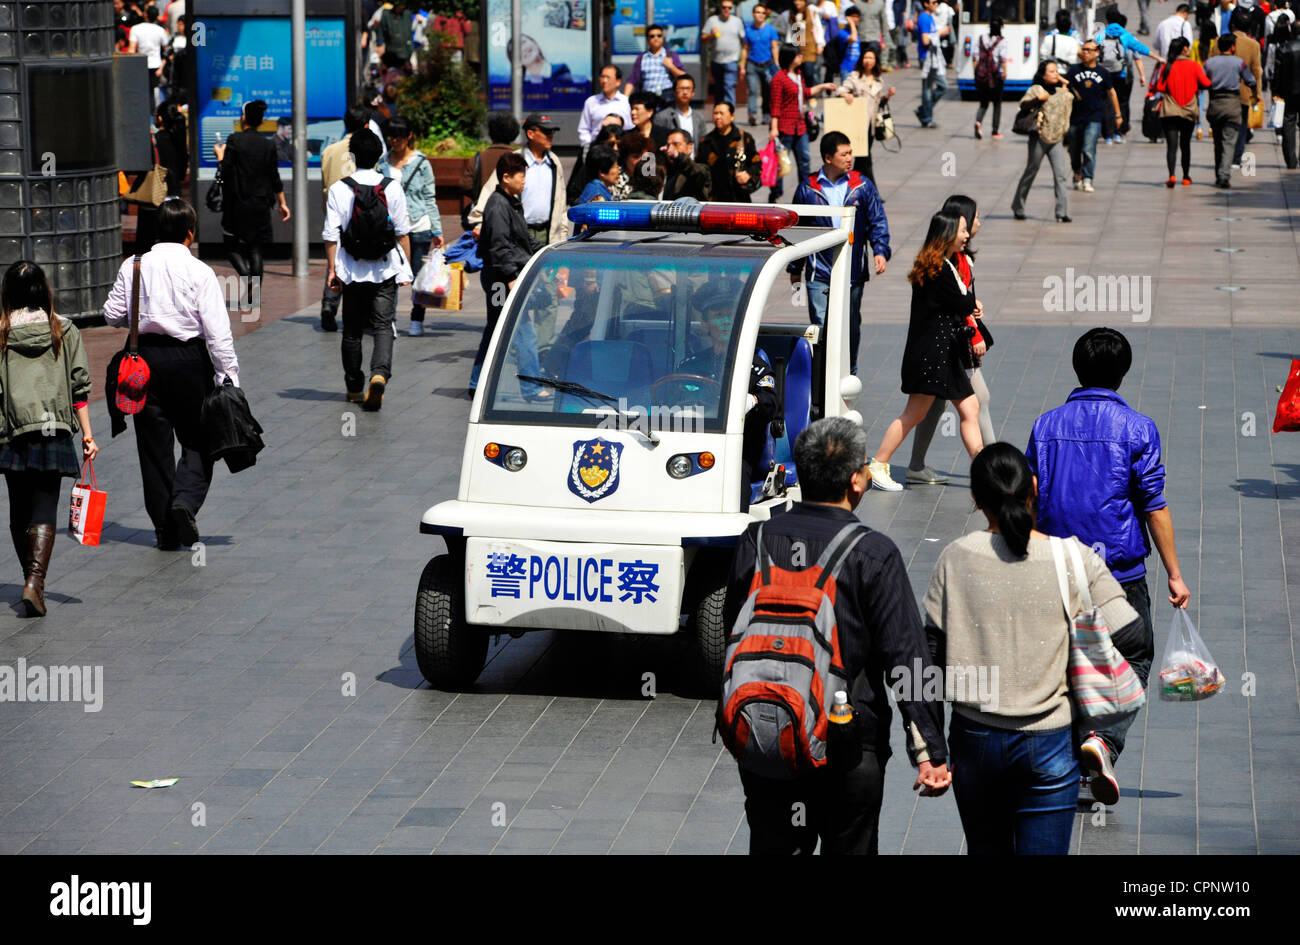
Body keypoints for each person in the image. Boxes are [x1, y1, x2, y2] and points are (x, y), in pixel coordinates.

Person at [725, 416, 951, 854]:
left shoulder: (756, 540)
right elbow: (908, 659)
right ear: (855, 482)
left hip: (769, 734)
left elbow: (733, 631)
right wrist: (929, 751)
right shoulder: (873, 552)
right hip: (848, 743)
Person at [924, 443, 1142, 854]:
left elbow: (930, 655)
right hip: (1050, 740)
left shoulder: (954, 558)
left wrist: (928, 747)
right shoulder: (1073, 558)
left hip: (974, 739)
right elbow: (1132, 635)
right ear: (1035, 488)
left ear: (975, 499)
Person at [1026, 328, 1191, 806]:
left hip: (1054, 569)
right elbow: (1153, 506)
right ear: (1122, 372)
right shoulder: (1137, 428)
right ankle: (1103, 739)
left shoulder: (1045, 425)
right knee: (1134, 653)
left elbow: (1030, 496)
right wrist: (1175, 574)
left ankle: (1065, 756)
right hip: (1116, 575)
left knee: (1062, 665)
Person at [102, 199, 238, 551]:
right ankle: (184, 503)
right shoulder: (200, 272)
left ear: (157, 230)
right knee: (200, 439)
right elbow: (217, 333)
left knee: (153, 448)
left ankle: (164, 529)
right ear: (189, 233)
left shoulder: (133, 266)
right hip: (190, 362)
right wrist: (229, 377)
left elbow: (112, 314)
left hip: (143, 363)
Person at [0, 262, 95, 617]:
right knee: (43, 508)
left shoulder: (2, 333)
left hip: (12, 432)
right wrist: (87, 434)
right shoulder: (64, 330)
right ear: (44, 291)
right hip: (53, 429)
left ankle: (29, 578)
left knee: (17, 509)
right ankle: (35, 582)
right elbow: (79, 386)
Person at [866, 211, 982, 491]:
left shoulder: (938, 264)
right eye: (962, 230)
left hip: (944, 354)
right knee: (914, 413)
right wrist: (971, 299)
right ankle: (878, 464)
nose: (967, 236)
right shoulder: (938, 269)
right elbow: (963, 303)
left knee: (970, 407)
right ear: (947, 234)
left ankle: (983, 473)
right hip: (932, 355)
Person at [323, 128, 412, 411]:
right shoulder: (392, 186)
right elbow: (402, 233)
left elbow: (330, 235)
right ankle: (379, 374)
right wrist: (405, 270)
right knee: (383, 325)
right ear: (378, 156)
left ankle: (353, 387)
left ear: (352, 156)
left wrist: (332, 271)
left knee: (351, 330)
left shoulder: (340, 188)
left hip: (351, 270)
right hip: (384, 268)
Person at [907, 194, 994, 484]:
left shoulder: (960, 257)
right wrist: (976, 334)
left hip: (951, 340)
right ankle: (993, 469)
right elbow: (957, 303)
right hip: (949, 343)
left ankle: (917, 465)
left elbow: (963, 299)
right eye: (973, 219)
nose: (977, 224)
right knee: (976, 400)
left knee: (935, 405)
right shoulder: (947, 261)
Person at [790, 131, 890, 376]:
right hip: (818, 272)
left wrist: (880, 250)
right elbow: (796, 230)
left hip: (852, 273)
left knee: (850, 325)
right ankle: (824, 377)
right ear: (827, 157)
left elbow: (877, 221)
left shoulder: (862, 186)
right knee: (822, 326)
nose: (849, 158)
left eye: (850, 153)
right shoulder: (808, 189)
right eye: (843, 154)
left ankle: (849, 373)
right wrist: (795, 268)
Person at [676, 288, 777, 507]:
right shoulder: (691, 364)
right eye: (717, 316)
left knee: (733, 488)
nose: (725, 321)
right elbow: (671, 396)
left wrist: (752, 400)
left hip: (738, 447)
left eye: (729, 315)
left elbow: (770, 402)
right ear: (704, 325)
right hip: (692, 441)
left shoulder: (755, 366)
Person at [474, 152, 546, 400]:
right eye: (521, 176)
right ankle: (532, 388)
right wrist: (511, 278)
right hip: (500, 280)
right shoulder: (498, 206)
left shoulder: (509, 202)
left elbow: (522, 240)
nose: (524, 181)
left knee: (496, 329)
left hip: (502, 277)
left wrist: (550, 250)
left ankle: (476, 383)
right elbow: (499, 246)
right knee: (523, 331)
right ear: (506, 177)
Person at [212, 99, 291, 309]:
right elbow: (275, 177)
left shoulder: (234, 140)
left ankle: (247, 277)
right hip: (261, 205)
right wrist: (282, 203)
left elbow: (226, 171)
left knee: (231, 247)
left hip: (237, 205)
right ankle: (253, 297)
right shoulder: (268, 145)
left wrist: (220, 156)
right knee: (255, 250)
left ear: (243, 118)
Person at [378, 116, 442, 337]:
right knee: (390, 275)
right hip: (391, 228)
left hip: (418, 225)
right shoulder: (383, 163)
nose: (394, 140)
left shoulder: (422, 163)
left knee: (418, 276)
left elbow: (429, 197)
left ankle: (417, 319)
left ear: (409, 136)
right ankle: (390, 320)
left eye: (399, 136)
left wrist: (437, 230)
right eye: (391, 136)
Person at [319, 106, 371, 331]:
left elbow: (324, 185)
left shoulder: (329, 150)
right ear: (366, 126)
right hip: (361, 217)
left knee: (334, 263)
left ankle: (329, 306)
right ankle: (363, 311)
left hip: (334, 215)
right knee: (361, 263)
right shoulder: (369, 150)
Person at [769, 44, 837, 200]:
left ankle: (805, 192)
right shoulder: (779, 78)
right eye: (798, 55)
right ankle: (775, 193)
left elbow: (805, 93)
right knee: (782, 163)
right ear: (790, 58)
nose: (801, 57)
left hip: (800, 126)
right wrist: (774, 129)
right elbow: (775, 105)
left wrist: (822, 86)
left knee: (805, 160)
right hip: (784, 127)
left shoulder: (799, 75)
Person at [1012, 60, 1076, 222]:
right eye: (1052, 71)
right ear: (1043, 75)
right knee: (1031, 171)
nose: (1056, 74)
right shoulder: (1036, 90)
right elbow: (1023, 105)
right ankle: (1018, 206)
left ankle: (1062, 212)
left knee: (1061, 175)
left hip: (1056, 139)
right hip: (1039, 137)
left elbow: (1076, 98)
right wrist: (1038, 100)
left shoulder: (1062, 92)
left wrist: (1066, 83)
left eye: (1057, 71)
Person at [1096, 7, 1164, 141]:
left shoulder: (1100, 35)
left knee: (1107, 102)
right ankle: (1119, 132)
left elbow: (1093, 50)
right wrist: (1158, 58)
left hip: (1105, 75)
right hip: (1122, 75)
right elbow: (1141, 50)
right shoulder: (1126, 35)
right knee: (1122, 103)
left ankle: (1107, 134)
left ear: (1108, 20)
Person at [1154, 37, 1211, 185]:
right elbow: (1206, 83)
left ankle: (1172, 175)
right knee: (1185, 145)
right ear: (1184, 49)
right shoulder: (1194, 66)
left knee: (1171, 146)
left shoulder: (1167, 66)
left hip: (1170, 110)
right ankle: (1186, 177)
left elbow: (1160, 87)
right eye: (1189, 47)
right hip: (1188, 111)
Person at [1066, 40, 1121, 193]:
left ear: (1097, 53)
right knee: (1074, 149)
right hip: (1075, 117)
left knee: (1089, 148)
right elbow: (1065, 88)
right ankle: (1077, 172)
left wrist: (1118, 115)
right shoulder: (1074, 70)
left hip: (1094, 117)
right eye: (1084, 50)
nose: (1085, 53)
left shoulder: (1103, 72)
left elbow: (1111, 92)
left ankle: (1088, 178)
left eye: (1089, 50)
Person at [835, 47, 896, 182]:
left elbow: (879, 103)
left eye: (871, 58)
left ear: (876, 61)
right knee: (865, 158)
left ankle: (851, 184)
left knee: (862, 160)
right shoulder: (855, 76)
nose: (868, 61)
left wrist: (888, 96)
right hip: (858, 124)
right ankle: (872, 191)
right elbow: (839, 90)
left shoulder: (878, 79)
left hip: (871, 125)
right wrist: (845, 95)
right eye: (866, 58)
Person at [135, 99, 189, 251]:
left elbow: (143, 165)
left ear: (160, 118)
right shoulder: (179, 139)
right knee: (171, 241)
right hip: (174, 197)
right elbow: (182, 171)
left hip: (154, 196)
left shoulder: (154, 140)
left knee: (148, 241)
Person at [1212, 7, 1263, 167]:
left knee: (1221, 127)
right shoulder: (1253, 45)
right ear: (1249, 27)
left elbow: (1211, 64)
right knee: (1240, 127)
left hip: (1220, 93)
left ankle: (1222, 157)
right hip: (1244, 93)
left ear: (1232, 24)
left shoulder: (1219, 42)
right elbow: (1256, 71)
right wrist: (1257, 93)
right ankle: (1236, 158)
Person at [1204, 34, 1256, 184]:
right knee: (1229, 142)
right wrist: (1254, 95)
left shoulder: (1209, 63)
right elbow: (1251, 80)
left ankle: (1218, 173)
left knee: (1218, 143)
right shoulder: (1239, 63)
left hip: (1215, 104)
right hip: (1232, 104)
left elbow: (1202, 80)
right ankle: (1224, 176)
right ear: (1232, 47)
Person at [696, 102, 762, 201]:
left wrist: (748, 174)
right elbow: (699, 169)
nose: (718, 117)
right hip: (713, 199)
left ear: (732, 116)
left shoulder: (743, 138)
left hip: (738, 198)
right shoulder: (706, 142)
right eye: (715, 113)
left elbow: (757, 163)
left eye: (721, 113)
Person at [624, 23, 688, 103]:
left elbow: (684, 77)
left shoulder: (671, 55)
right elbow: (632, 80)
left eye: (659, 35)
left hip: (666, 98)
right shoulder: (641, 57)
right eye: (652, 36)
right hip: (647, 99)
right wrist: (625, 100)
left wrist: (671, 66)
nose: (656, 38)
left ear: (663, 37)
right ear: (647, 39)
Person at [741, 4, 781, 125]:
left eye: (763, 13)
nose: (761, 15)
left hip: (767, 64)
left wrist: (777, 64)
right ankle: (752, 114)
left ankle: (766, 114)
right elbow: (745, 48)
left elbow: (774, 47)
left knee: (767, 91)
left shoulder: (770, 29)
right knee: (753, 90)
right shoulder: (748, 30)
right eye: (758, 12)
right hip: (752, 64)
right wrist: (742, 66)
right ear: (753, 14)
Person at [703, 1, 748, 106]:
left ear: (732, 9)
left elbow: (744, 42)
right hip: (716, 60)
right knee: (718, 88)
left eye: (729, 8)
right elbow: (703, 39)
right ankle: (719, 113)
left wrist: (742, 64)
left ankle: (729, 114)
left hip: (732, 60)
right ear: (720, 8)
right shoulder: (712, 20)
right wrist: (711, 34)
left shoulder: (737, 21)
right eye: (724, 7)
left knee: (729, 87)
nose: (727, 10)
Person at [973, 16, 1010, 138]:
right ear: (1001, 27)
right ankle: (995, 131)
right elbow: (1003, 59)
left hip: (982, 76)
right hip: (995, 77)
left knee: (983, 103)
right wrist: (1005, 73)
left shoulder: (981, 38)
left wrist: (976, 72)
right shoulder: (1002, 41)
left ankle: (978, 122)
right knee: (997, 103)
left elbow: (975, 56)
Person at [578, 65, 631, 149]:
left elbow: (630, 128)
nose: (604, 80)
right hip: (596, 149)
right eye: (602, 77)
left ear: (618, 81)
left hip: (619, 148)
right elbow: (584, 129)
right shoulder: (591, 102)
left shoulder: (626, 103)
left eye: (608, 77)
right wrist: (588, 147)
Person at [653, 75, 709, 152]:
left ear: (693, 92)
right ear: (674, 91)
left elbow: (703, 143)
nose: (685, 92)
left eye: (688, 89)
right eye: (681, 88)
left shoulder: (699, 117)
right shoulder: (662, 117)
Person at [127, 5, 169, 106]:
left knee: (141, 92)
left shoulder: (136, 29)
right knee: (155, 93)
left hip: (140, 65)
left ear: (145, 15)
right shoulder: (160, 30)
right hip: (156, 66)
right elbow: (166, 49)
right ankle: (154, 115)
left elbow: (131, 50)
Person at [915, 0, 948, 128]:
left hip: (933, 57)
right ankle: (926, 117)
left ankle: (924, 111)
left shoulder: (929, 17)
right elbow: (925, 40)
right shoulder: (924, 18)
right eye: (933, 2)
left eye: (936, 2)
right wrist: (940, 33)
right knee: (929, 89)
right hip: (926, 58)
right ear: (926, 4)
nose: (936, 5)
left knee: (940, 86)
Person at [1274, 20, 1300, 167]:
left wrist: (1275, 91)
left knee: (1288, 124)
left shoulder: (1284, 48)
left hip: (1289, 92)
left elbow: (1277, 73)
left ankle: (1290, 160)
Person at [661, 130, 713, 200]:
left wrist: (678, 156)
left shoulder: (700, 169)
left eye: (676, 144)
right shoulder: (666, 170)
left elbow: (695, 171)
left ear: (690, 147)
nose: (670, 149)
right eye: (668, 145)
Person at [375, 1, 413, 71]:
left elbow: (409, 32)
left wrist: (410, 48)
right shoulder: (386, 14)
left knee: (403, 74)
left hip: (404, 51)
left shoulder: (407, 14)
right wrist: (380, 44)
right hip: (390, 51)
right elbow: (380, 30)